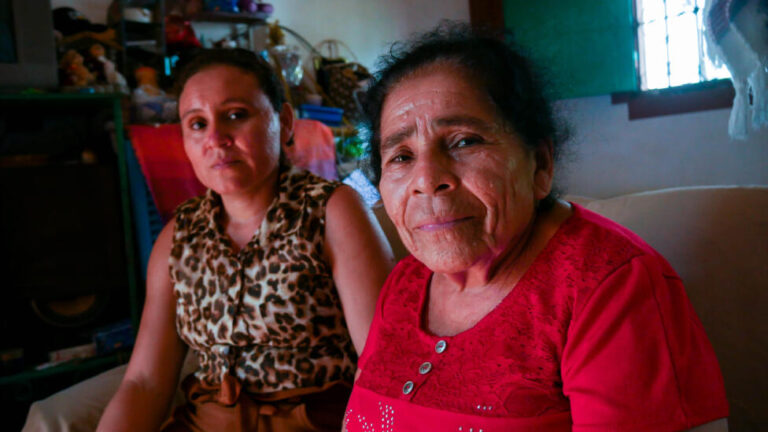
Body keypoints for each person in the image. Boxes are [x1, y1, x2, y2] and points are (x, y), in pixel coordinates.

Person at [343, 24, 729, 432]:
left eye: (463, 141)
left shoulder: (610, 288)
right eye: (401, 157)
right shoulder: (404, 283)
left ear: (540, 164)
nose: (426, 178)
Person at [96, 48, 394, 432]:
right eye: (197, 124)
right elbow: (145, 383)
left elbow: (382, 367)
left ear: (284, 122)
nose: (216, 139)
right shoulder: (178, 237)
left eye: (236, 115)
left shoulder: (331, 211)